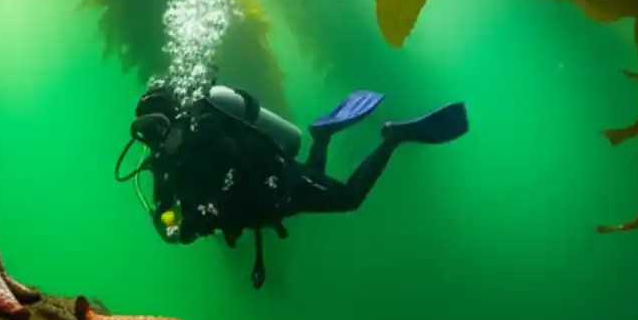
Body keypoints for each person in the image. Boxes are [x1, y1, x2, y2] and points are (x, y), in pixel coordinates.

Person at [115, 77, 468, 288]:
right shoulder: (162, 166)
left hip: (278, 186)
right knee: (313, 180)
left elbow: (238, 172)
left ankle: (393, 137)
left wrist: (209, 209)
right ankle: (322, 136)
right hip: (268, 208)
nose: (156, 140)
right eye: (145, 133)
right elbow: (167, 218)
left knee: (348, 198)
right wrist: (175, 223)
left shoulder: (210, 131)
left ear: (176, 117)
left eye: (158, 127)